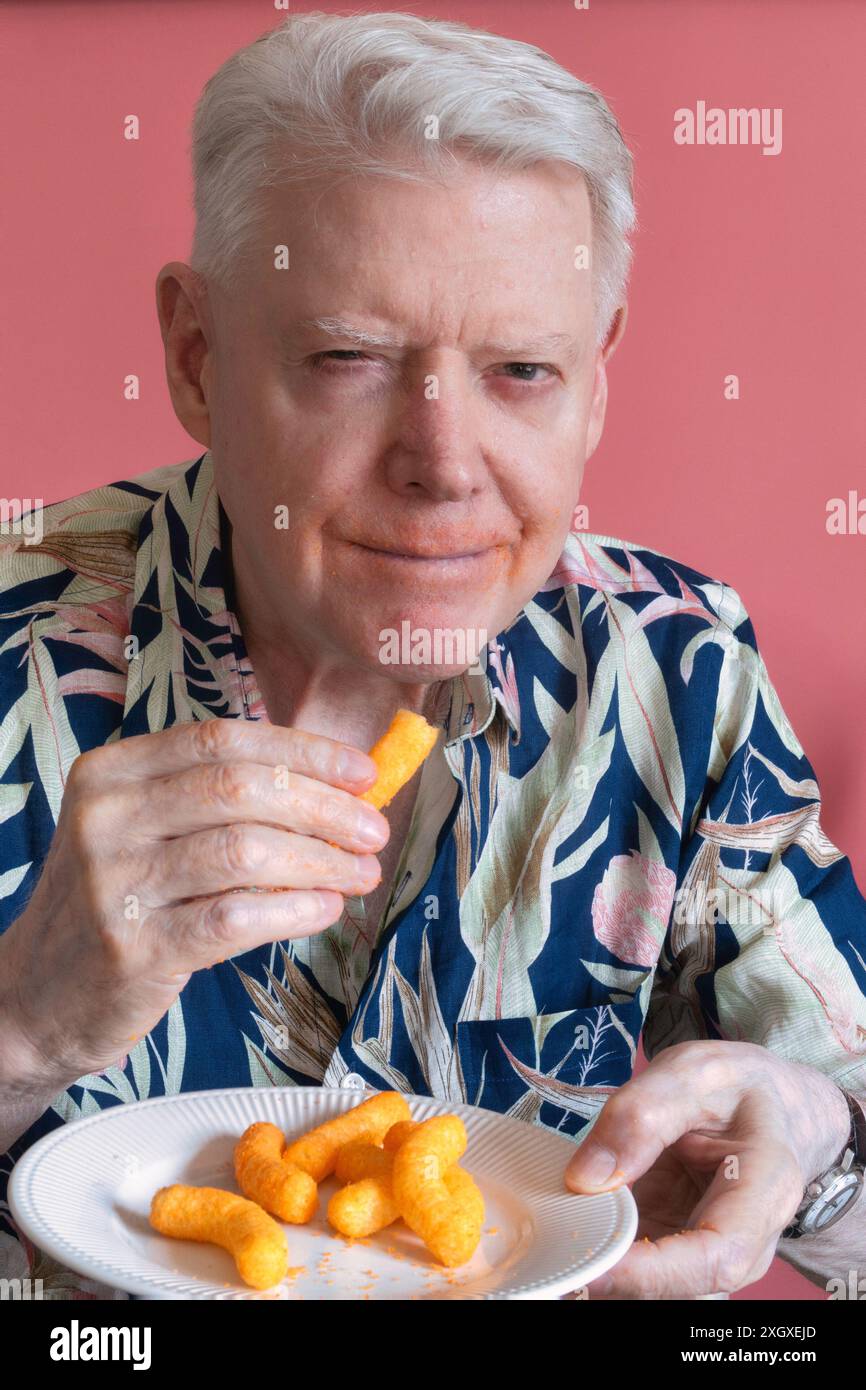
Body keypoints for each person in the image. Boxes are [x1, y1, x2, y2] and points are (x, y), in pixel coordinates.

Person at [1, 11, 864, 1301]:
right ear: (196, 355)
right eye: (349, 360)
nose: (446, 464)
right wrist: (21, 1024)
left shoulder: (683, 671)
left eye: (521, 370)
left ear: (598, 384)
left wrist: (814, 1136)